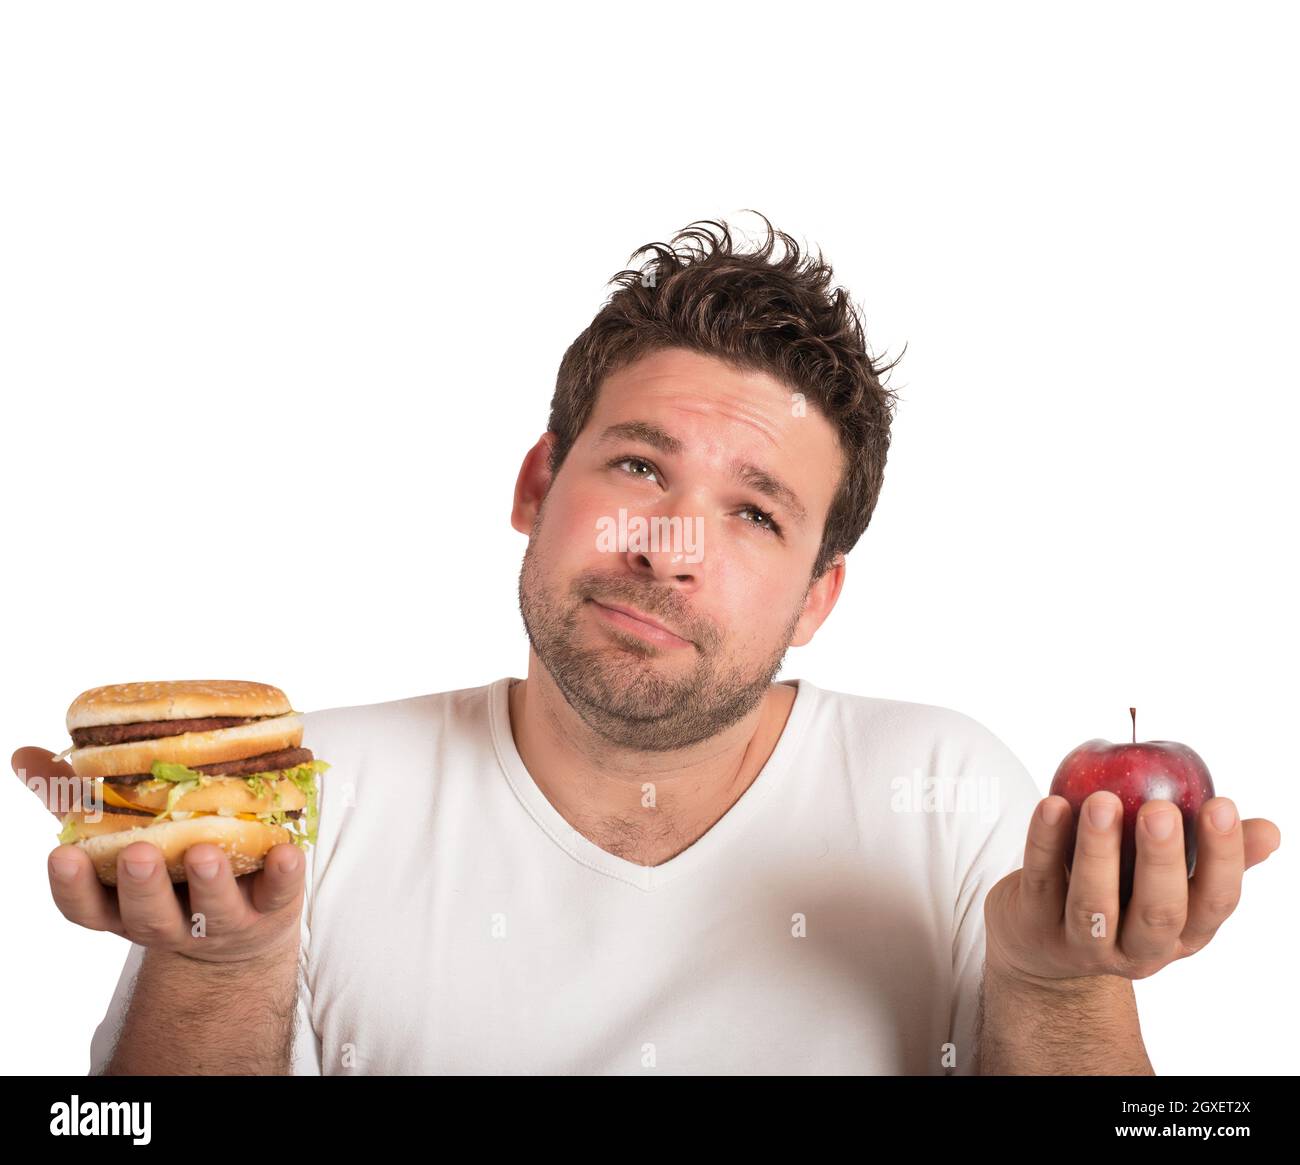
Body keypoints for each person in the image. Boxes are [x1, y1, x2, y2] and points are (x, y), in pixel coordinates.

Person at [18, 213, 1280, 1075]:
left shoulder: (948, 794)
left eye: (752, 512)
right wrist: (217, 966)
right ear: (535, 482)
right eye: (635, 465)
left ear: (815, 599)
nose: (667, 547)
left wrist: (1055, 989)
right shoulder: (297, 793)